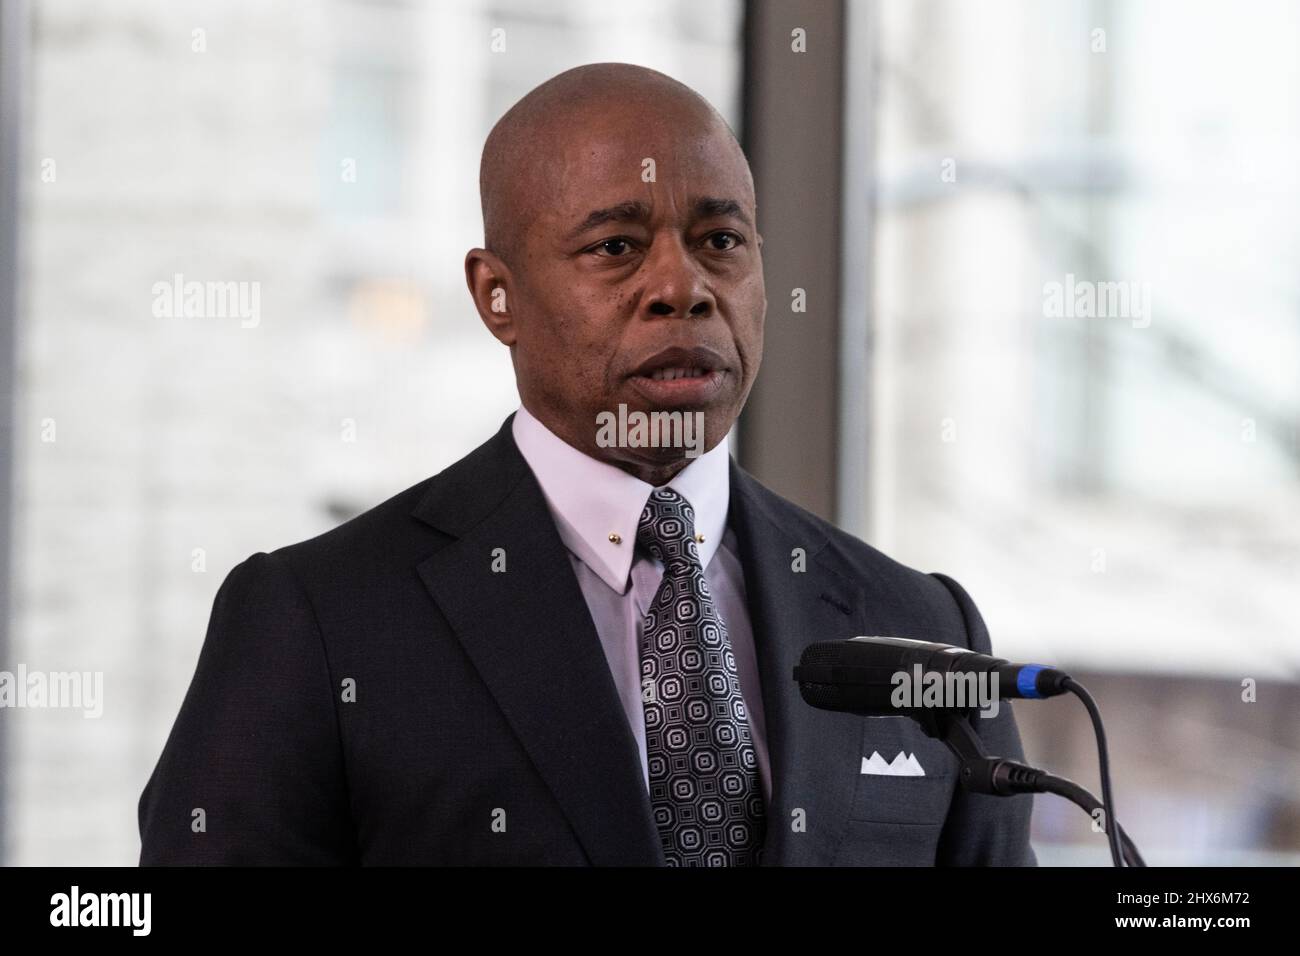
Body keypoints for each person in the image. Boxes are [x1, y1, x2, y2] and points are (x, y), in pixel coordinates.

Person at [138, 62, 1035, 866]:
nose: (682, 288)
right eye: (615, 247)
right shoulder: (318, 623)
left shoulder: (918, 622)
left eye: (721, 241)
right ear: (497, 296)